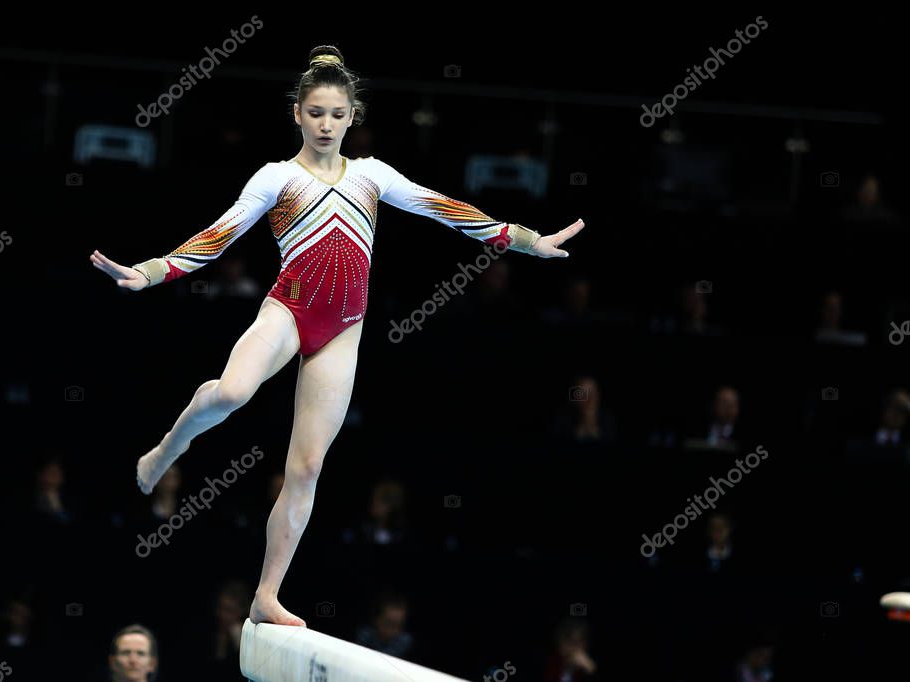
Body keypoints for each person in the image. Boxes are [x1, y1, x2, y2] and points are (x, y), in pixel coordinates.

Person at [90, 46, 587, 627]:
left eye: (337, 114)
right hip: (289, 311)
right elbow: (216, 237)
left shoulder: (373, 175)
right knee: (230, 393)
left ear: (353, 117)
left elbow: (449, 210)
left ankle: (266, 594)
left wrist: (528, 239)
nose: (326, 124)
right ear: (296, 114)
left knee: (305, 468)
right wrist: (150, 271)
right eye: (316, 113)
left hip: (343, 331)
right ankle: (167, 450)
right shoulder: (277, 179)